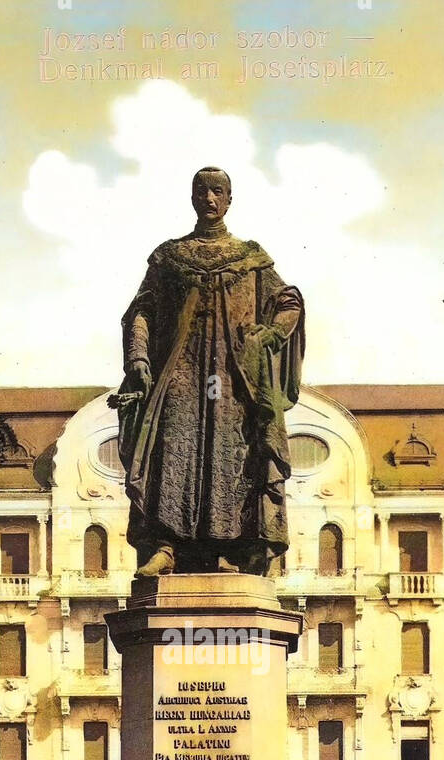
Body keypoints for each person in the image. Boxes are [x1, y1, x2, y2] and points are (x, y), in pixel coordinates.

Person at [114, 166, 305, 578]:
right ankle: (165, 546)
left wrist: (272, 333)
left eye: (218, 191)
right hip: (180, 373)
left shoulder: (251, 258)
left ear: (230, 199)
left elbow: (289, 301)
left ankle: (231, 548)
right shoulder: (169, 258)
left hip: (233, 377)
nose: (210, 199)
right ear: (192, 197)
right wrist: (139, 359)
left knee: (232, 452)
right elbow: (141, 311)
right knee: (171, 447)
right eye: (202, 191)